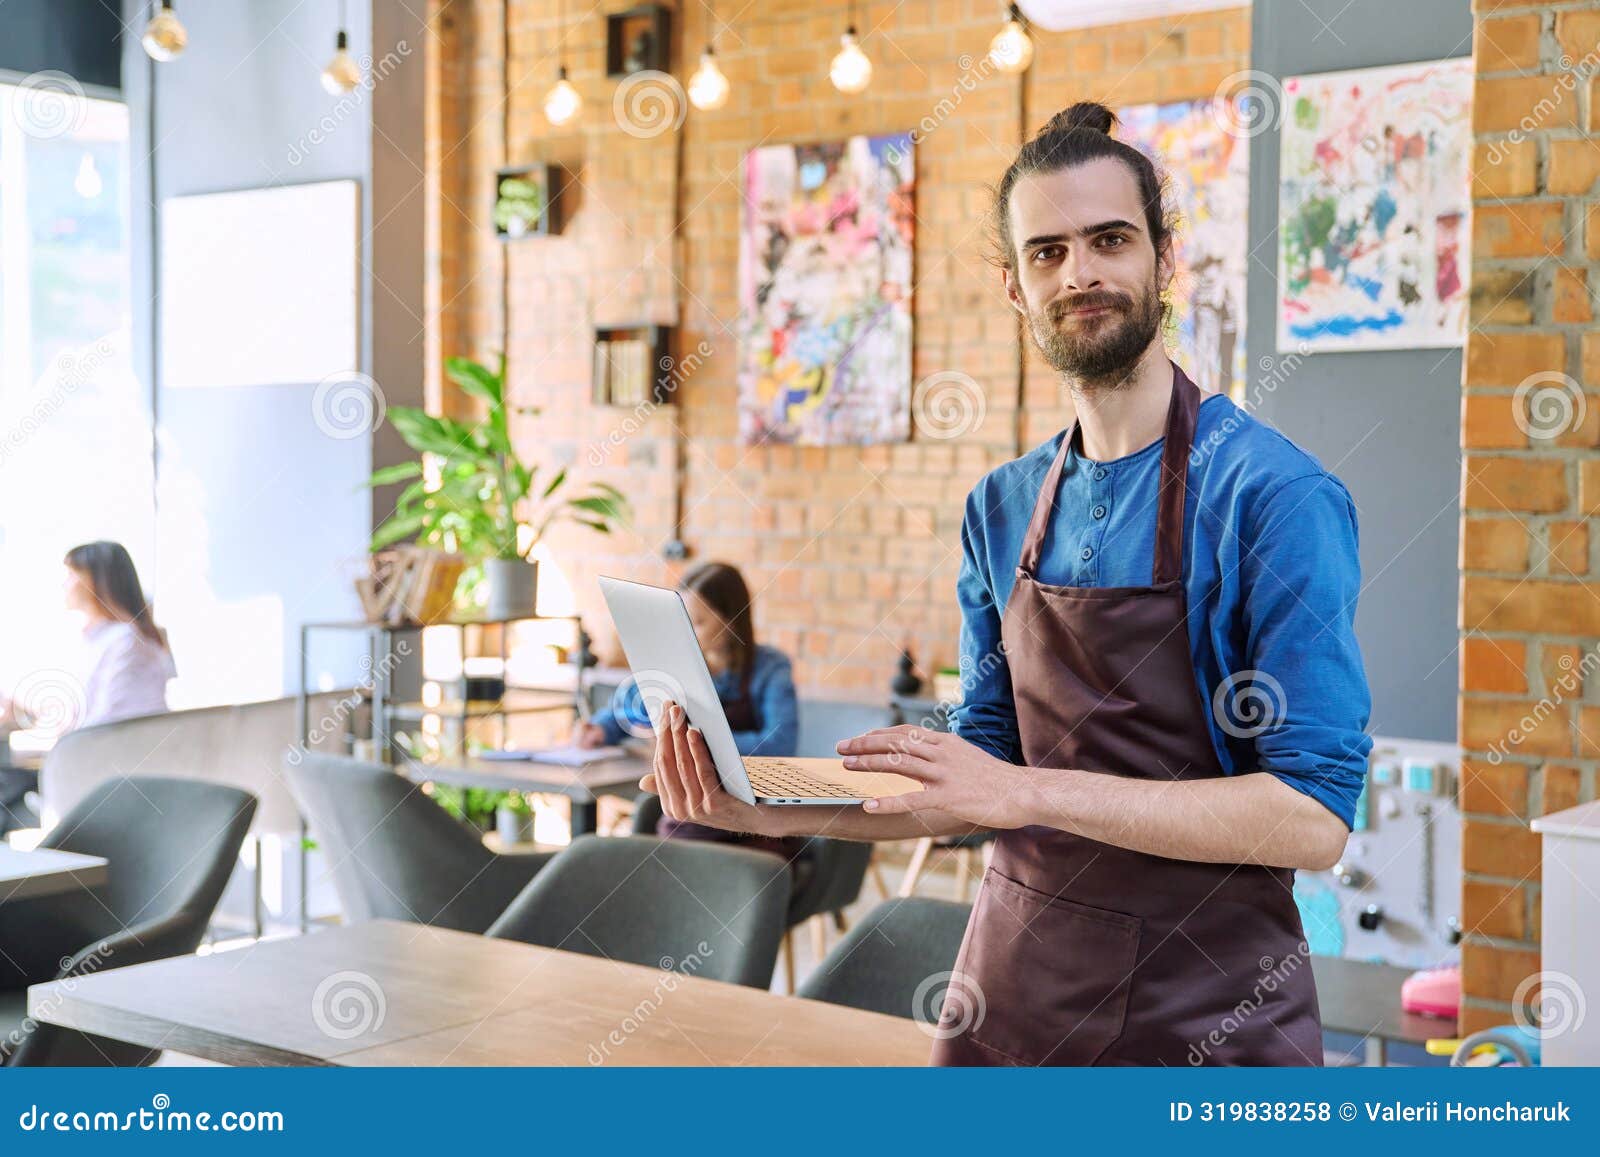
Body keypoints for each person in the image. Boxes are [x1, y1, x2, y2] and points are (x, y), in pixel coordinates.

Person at [641, 102, 1372, 1067]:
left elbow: (1311, 819)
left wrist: (1024, 789)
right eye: (1047, 252)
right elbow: (970, 782)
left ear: (1165, 257)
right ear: (1014, 286)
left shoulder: (1273, 495)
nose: (1081, 274)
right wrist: (759, 808)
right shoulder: (1001, 506)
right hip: (1013, 999)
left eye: (1110, 239)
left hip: (1206, 1015)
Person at [576, 561, 805, 858]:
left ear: (731, 620)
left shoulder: (769, 668)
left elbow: (780, 744)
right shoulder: (678, 664)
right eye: (683, 620)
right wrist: (601, 728)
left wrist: (695, 743)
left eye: (698, 622)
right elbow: (636, 702)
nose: (689, 632)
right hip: (690, 816)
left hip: (755, 823)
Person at [0, 541, 176, 735]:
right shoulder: (94, 641)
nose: (64, 584)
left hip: (110, 758)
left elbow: (112, 724)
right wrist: (22, 709)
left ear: (96, 581)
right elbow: (78, 711)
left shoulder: (128, 642)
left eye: (71, 575)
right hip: (93, 754)